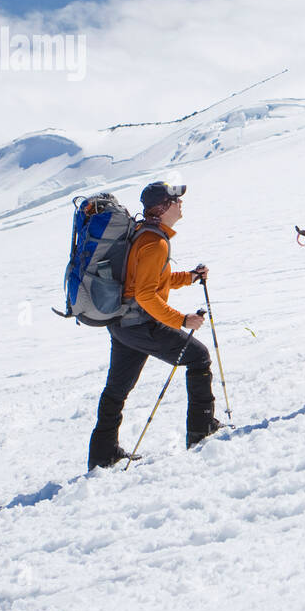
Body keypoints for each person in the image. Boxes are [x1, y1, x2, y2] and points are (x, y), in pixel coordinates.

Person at [87, 182, 218, 470]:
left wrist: (190, 277)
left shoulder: (146, 235)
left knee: (117, 388)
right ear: (162, 207)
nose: (180, 203)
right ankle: (201, 429)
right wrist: (182, 320)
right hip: (141, 325)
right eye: (175, 200)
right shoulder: (155, 243)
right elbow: (146, 295)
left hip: (123, 324)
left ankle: (102, 453)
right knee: (199, 357)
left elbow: (151, 281)